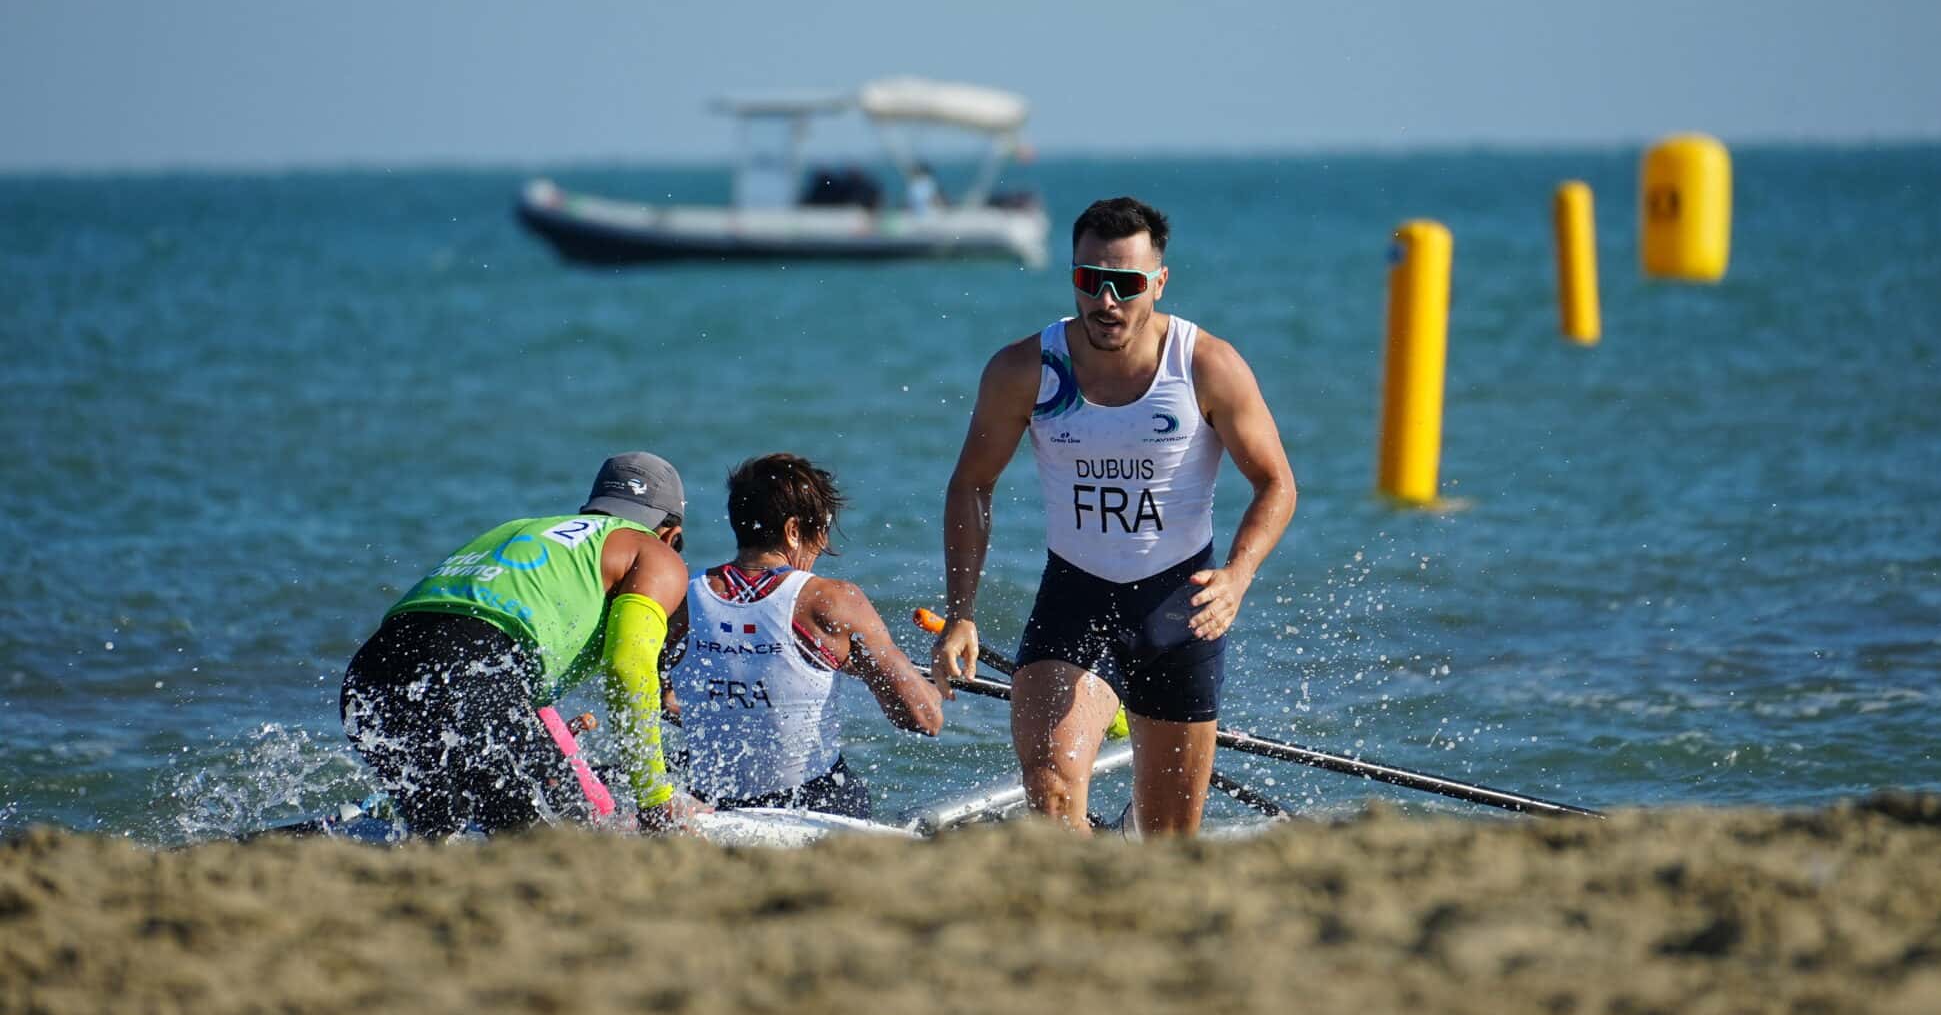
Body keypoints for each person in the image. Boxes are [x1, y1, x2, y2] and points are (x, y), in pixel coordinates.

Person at [931, 197, 1297, 835]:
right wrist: (961, 612)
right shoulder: (1026, 369)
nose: (1105, 301)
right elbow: (971, 486)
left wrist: (1238, 576)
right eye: (1088, 281)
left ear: (1158, 282)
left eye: (1125, 285)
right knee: (1049, 783)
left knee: (1168, 842)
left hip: (1180, 608)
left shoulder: (1206, 365)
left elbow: (1276, 484)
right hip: (1075, 593)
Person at [341, 452, 695, 837]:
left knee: (439, 831)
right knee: (541, 841)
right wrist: (655, 803)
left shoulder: (524, 529)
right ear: (670, 535)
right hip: (472, 667)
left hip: (370, 673)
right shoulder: (653, 552)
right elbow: (628, 667)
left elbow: (463, 632)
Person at [671, 453, 942, 816]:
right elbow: (923, 718)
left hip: (709, 798)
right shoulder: (832, 601)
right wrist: (931, 683)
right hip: (811, 801)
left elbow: (659, 694)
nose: (822, 543)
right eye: (822, 529)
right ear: (793, 530)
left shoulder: (680, 595)